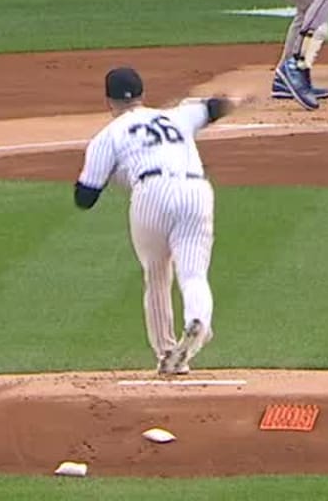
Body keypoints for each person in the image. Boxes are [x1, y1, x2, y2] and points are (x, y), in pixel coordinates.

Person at [74, 67, 234, 376]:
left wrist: (117, 173)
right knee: (194, 274)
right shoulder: (177, 116)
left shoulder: (108, 136)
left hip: (151, 193)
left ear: (109, 101)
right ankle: (197, 320)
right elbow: (215, 107)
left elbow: (85, 196)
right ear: (142, 94)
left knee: (157, 275)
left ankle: (167, 352)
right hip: (195, 190)